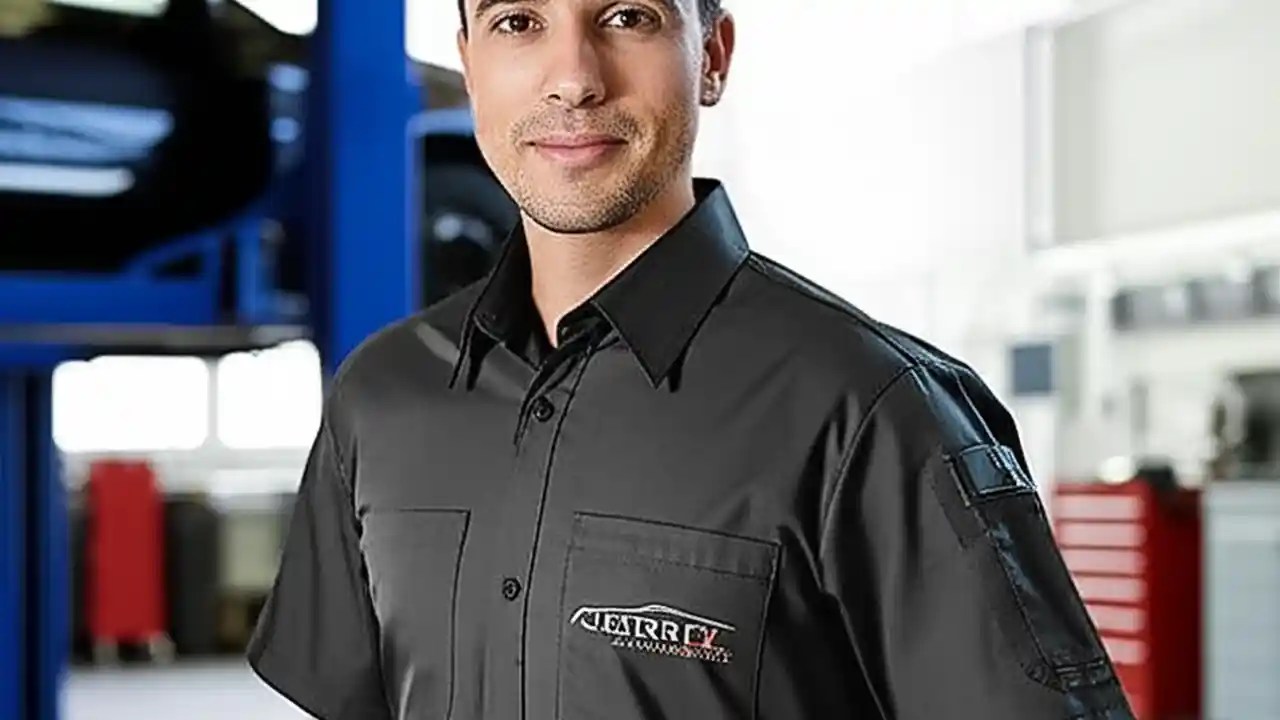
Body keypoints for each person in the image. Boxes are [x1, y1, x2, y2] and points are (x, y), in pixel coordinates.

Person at [247, 1, 1134, 718]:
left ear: (712, 55)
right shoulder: (383, 396)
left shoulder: (875, 411)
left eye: (626, 17)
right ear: (469, 61)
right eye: (519, 22)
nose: (573, 79)